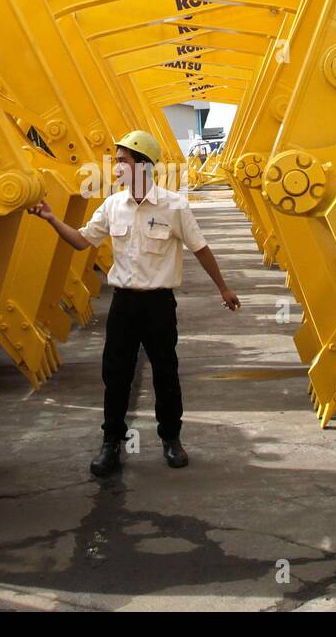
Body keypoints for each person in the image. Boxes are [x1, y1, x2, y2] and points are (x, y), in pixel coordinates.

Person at [29, 129, 240, 476]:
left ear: (142, 165)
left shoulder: (173, 206)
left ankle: (171, 440)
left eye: (122, 161)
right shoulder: (113, 206)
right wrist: (51, 219)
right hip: (123, 306)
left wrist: (223, 288)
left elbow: (200, 248)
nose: (115, 167)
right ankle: (111, 443)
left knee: (165, 374)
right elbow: (82, 241)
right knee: (115, 374)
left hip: (159, 306)